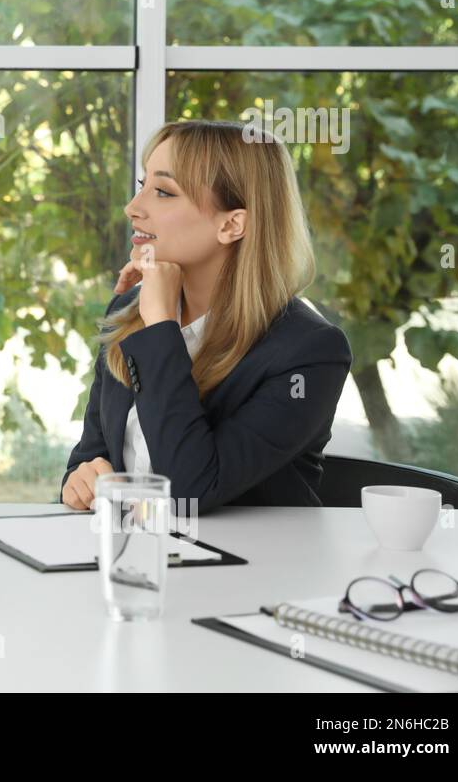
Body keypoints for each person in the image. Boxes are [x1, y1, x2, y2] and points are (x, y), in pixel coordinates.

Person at [60, 119, 352, 512]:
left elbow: (189, 490)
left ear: (232, 224)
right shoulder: (129, 313)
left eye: (163, 192)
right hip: (133, 560)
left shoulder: (309, 351)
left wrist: (161, 325)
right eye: (141, 186)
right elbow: (92, 456)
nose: (133, 208)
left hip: (252, 568)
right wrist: (81, 479)